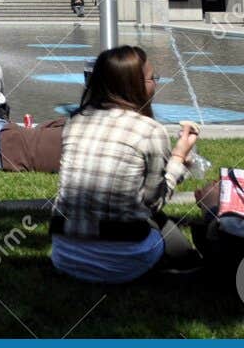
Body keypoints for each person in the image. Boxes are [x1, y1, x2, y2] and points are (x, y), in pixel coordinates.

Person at [49, 45, 201, 283]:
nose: (155, 83)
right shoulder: (150, 130)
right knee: (168, 232)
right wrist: (179, 158)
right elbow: (154, 201)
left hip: (64, 254)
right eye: (152, 78)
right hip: (122, 259)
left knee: (161, 228)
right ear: (135, 84)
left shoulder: (75, 122)